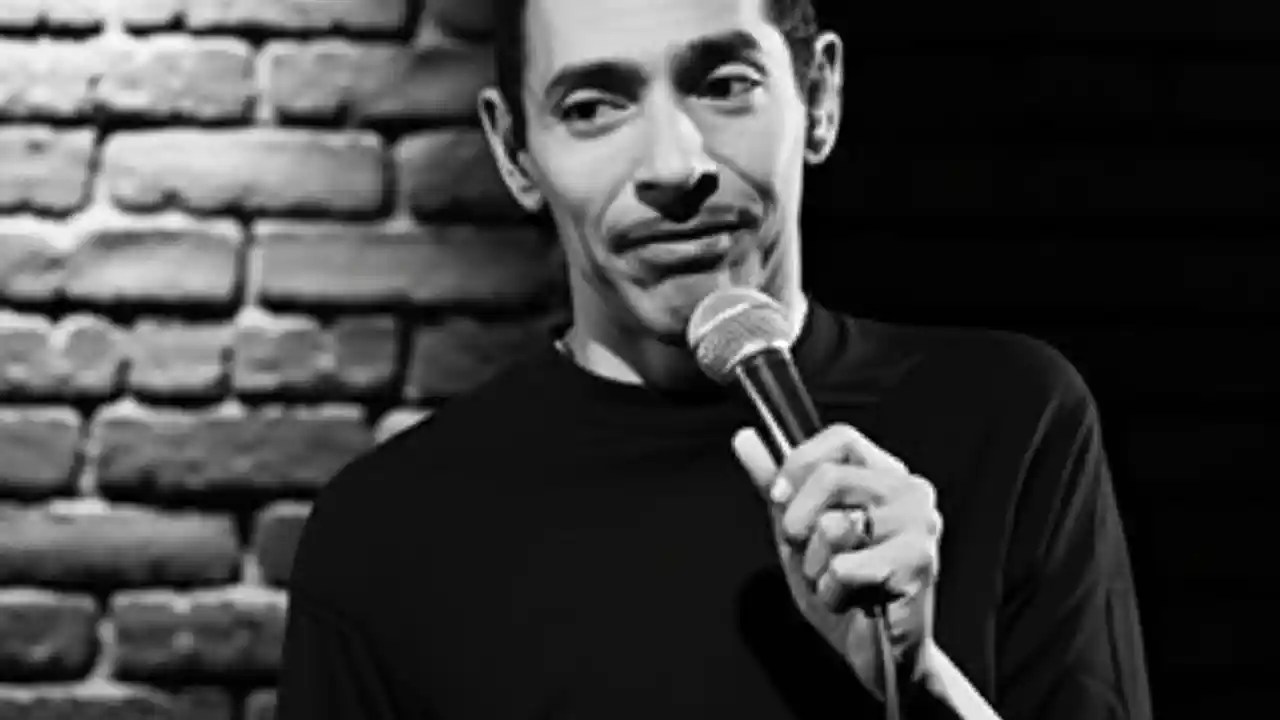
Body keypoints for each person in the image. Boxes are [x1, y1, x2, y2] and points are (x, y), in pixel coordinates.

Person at [274, 0, 1152, 718]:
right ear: (514, 152)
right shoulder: (388, 532)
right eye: (592, 107)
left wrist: (920, 679)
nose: (674, 164)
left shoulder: (1010, 417)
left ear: (822, 96)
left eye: (725, 86)